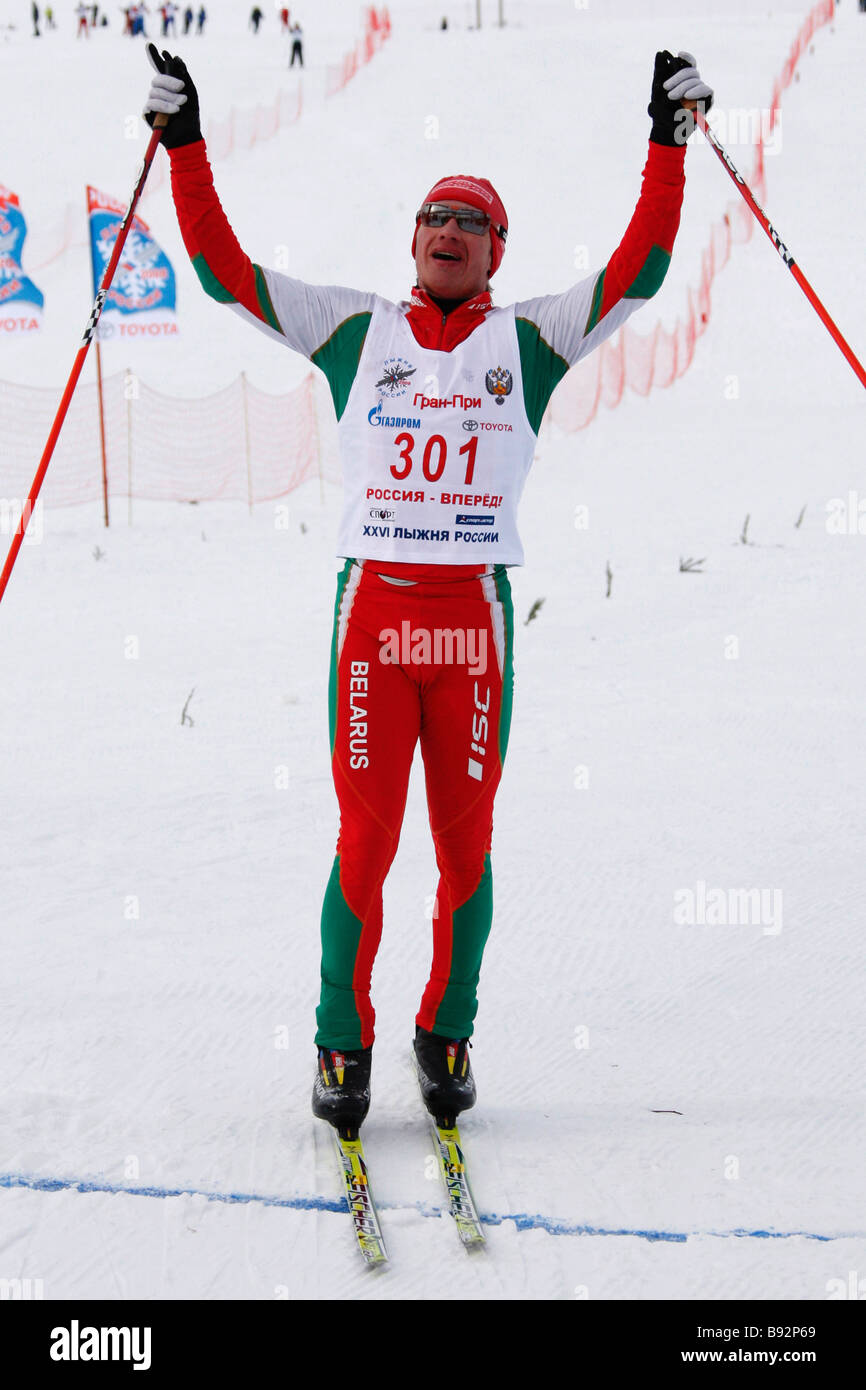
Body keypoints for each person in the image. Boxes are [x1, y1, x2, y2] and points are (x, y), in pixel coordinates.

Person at [143, 42, 713, 1134]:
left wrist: (665, 140)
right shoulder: (356, 328)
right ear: (411, 240)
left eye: (470, 222)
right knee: (365, 841)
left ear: (498, 249)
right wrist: (185, 143)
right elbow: (222, 270)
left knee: (463, 846)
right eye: (432, 219)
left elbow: (638, 269)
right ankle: (337, 1039)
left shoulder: (530, 337)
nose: (447, 232)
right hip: (377, 618)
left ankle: (444, 1027)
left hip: (469, 631)